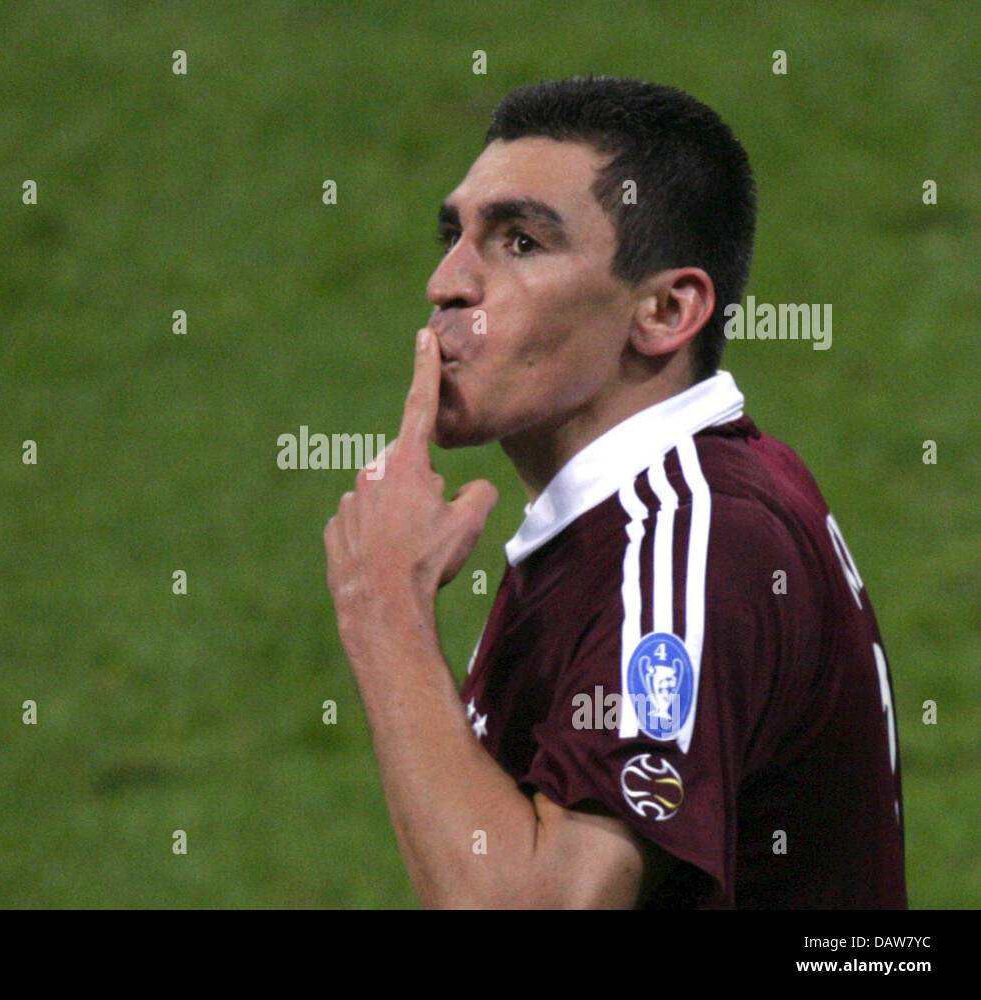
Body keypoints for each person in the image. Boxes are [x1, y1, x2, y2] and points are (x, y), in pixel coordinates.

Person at [323, 76, 906, 908]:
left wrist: (381, 601)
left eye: (520, 242)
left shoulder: (691, 535)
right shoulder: (641, 516)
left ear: (666, 311)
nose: (447, 283)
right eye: (454, 235)